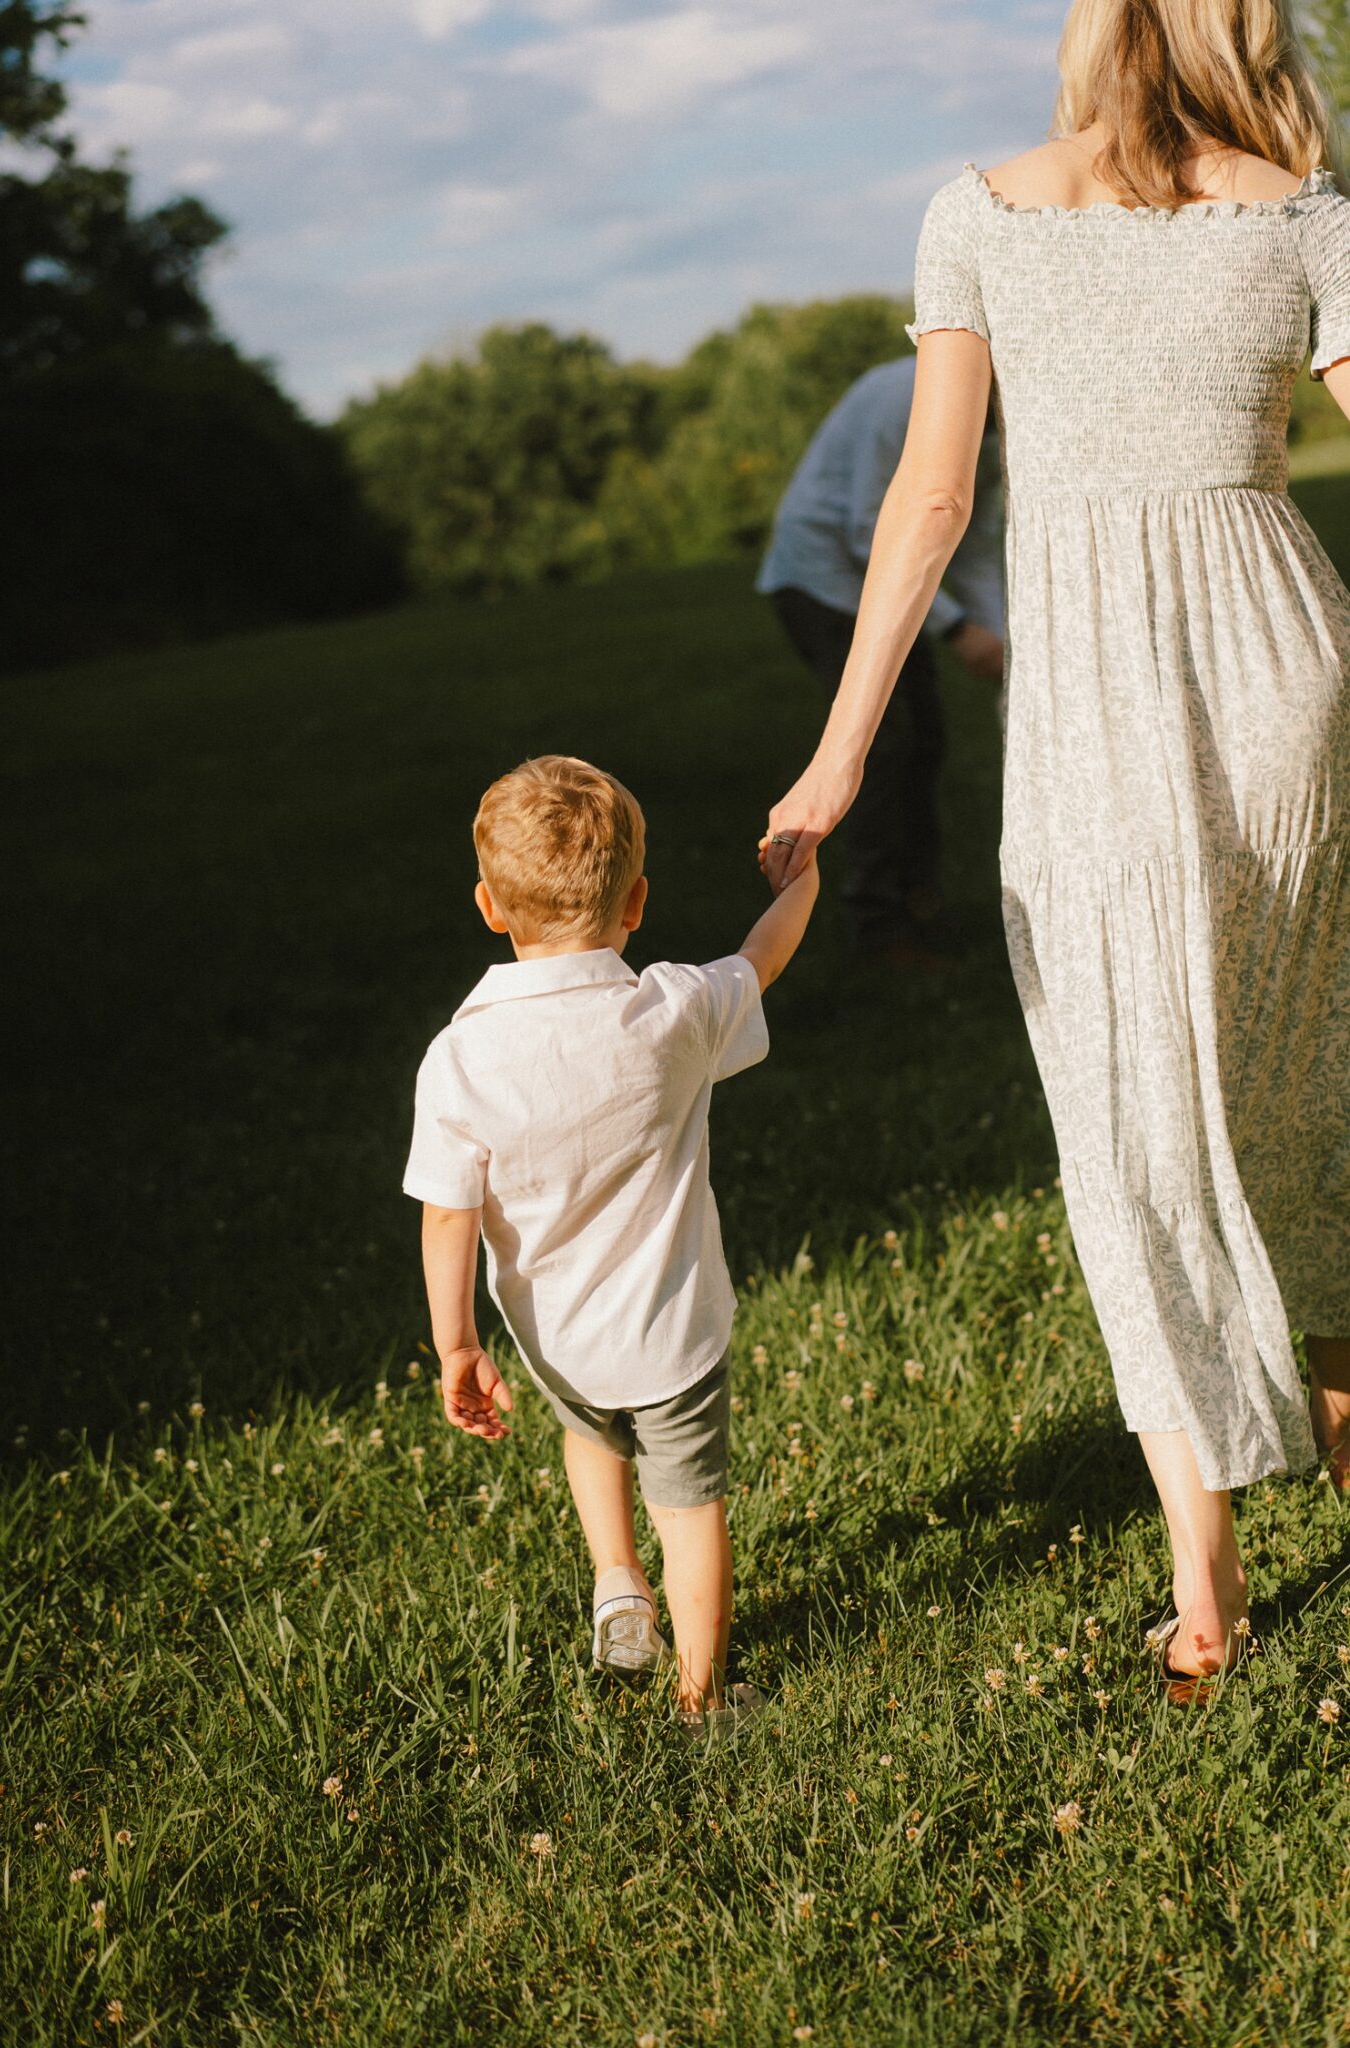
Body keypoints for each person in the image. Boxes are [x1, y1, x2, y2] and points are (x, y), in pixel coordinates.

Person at [760, 0, 1350, 1695]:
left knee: (1129, 1107)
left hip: (1099, 696)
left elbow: (932, 503)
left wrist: (839, 750)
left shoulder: (981, 212)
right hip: (1292, 660)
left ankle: (1208, 1588)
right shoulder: (1308, 213)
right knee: (1302, 1069)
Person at [403, 755, 818, 1728]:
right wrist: (798, 880)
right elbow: (762, 958)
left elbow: (446, 1214)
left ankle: (617, 1581)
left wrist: (457, 1342)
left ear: (489, 906)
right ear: (636, 900)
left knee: (590, 1431)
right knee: (692, 1507)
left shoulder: (460, 1055)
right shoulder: (671, 1009)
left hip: (555, 1340)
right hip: (672, 1338)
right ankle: (699, 1692)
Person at [756, 358, 1005, 966]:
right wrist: (956, 629)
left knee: (925, 739)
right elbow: (872, 528)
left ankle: (921, 900)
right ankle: (877, 924)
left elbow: (971, 546)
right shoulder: (911, 392)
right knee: (883, 745)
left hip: (890, 582)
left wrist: (997, 636)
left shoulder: (1000, 413)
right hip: (824, 580)